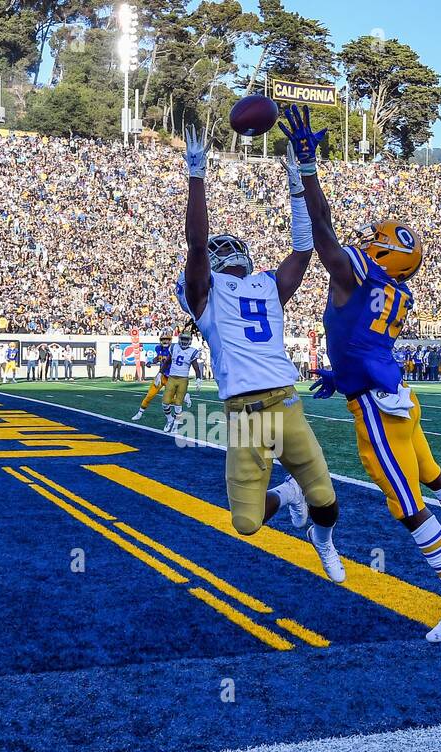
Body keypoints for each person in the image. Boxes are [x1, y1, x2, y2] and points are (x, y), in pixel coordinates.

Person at [280, 105, 441, 640]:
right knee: (430, 473)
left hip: (378, 403)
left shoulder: (359, 275)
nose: (367, 237)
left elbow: (324, 234)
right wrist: (341, 373)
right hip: (397, 394)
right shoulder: (398, 291)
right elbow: (362, 339)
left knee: (404, 503)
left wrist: (307, 171)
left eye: (377, 237)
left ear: (386, 254)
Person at [177, 122, 343, 580]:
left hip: (283, 403)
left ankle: (322, 538)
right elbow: (196, 244)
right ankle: (287, 496)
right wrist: (196, 175)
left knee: (327, 502)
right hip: (245, 416)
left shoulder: (265, 285)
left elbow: (305, 252)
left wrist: (295, 190)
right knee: (246, 523)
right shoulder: (206, 296)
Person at [162, 331, 201, 433]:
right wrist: (160, 373)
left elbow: (196, 368)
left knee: (178, 405)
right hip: (171, 378)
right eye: (183, 339)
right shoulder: (174, 347)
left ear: (190, 341)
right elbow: (167, 362)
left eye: (186, 339)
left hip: (183, 379)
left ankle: (176, 424)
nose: (184, 341)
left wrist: (198, 379)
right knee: (165, 403)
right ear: (179, 339)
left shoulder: (192, 351)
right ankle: (170, 420)